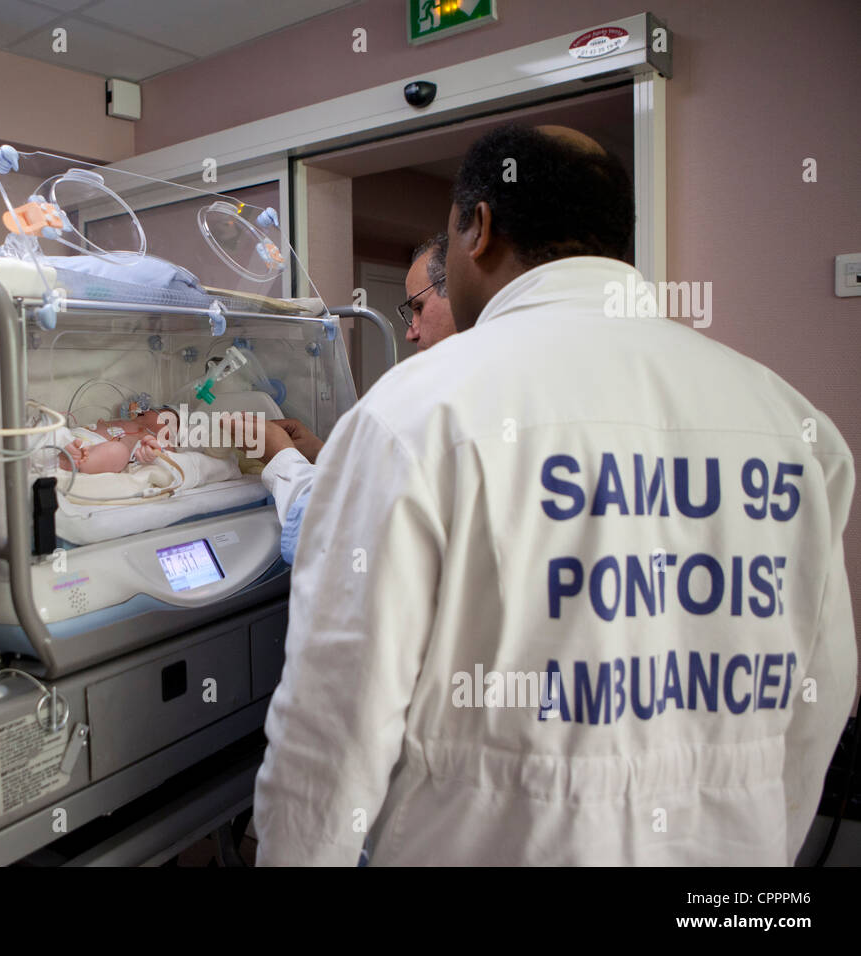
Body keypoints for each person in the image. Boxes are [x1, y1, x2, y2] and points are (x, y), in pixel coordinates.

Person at [253, 122, 856, 866]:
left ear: (478, 228)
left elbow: (332, 731)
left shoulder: (414, 413)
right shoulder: (795, 426)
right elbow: (818, 706)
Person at [250, 236, 454, 563]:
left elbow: (332, 536)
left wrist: (282, 458)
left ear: (461, 289)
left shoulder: (438, 408)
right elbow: (381, 483)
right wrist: (321, 453)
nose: (410, 332)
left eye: (418, 307)